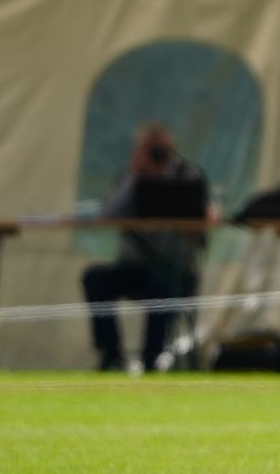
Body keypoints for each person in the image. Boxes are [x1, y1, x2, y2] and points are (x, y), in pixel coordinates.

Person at [82, 123, 206, 372]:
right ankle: (111, 355)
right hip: (132, 268)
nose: (155, 156)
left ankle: (152, 360)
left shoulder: (189, 176)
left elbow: (201, 221)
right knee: (94, 279)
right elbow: (108, 214)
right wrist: (136, 174)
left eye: (160, 150)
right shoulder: (129, 177)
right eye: (149, 149)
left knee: (162, 286)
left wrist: (163, 175)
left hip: (173, 269)